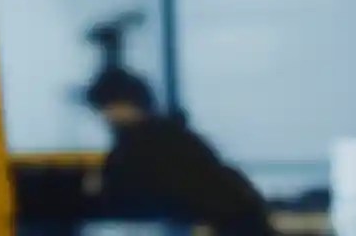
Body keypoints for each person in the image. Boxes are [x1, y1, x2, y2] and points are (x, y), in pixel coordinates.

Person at [85, 68, 276, 236]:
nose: (105, 118)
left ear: (122, 105)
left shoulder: (141, 143)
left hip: (220, 223)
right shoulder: (176, 136)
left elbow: (116, 193)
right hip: (238, 219)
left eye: (106, 109)